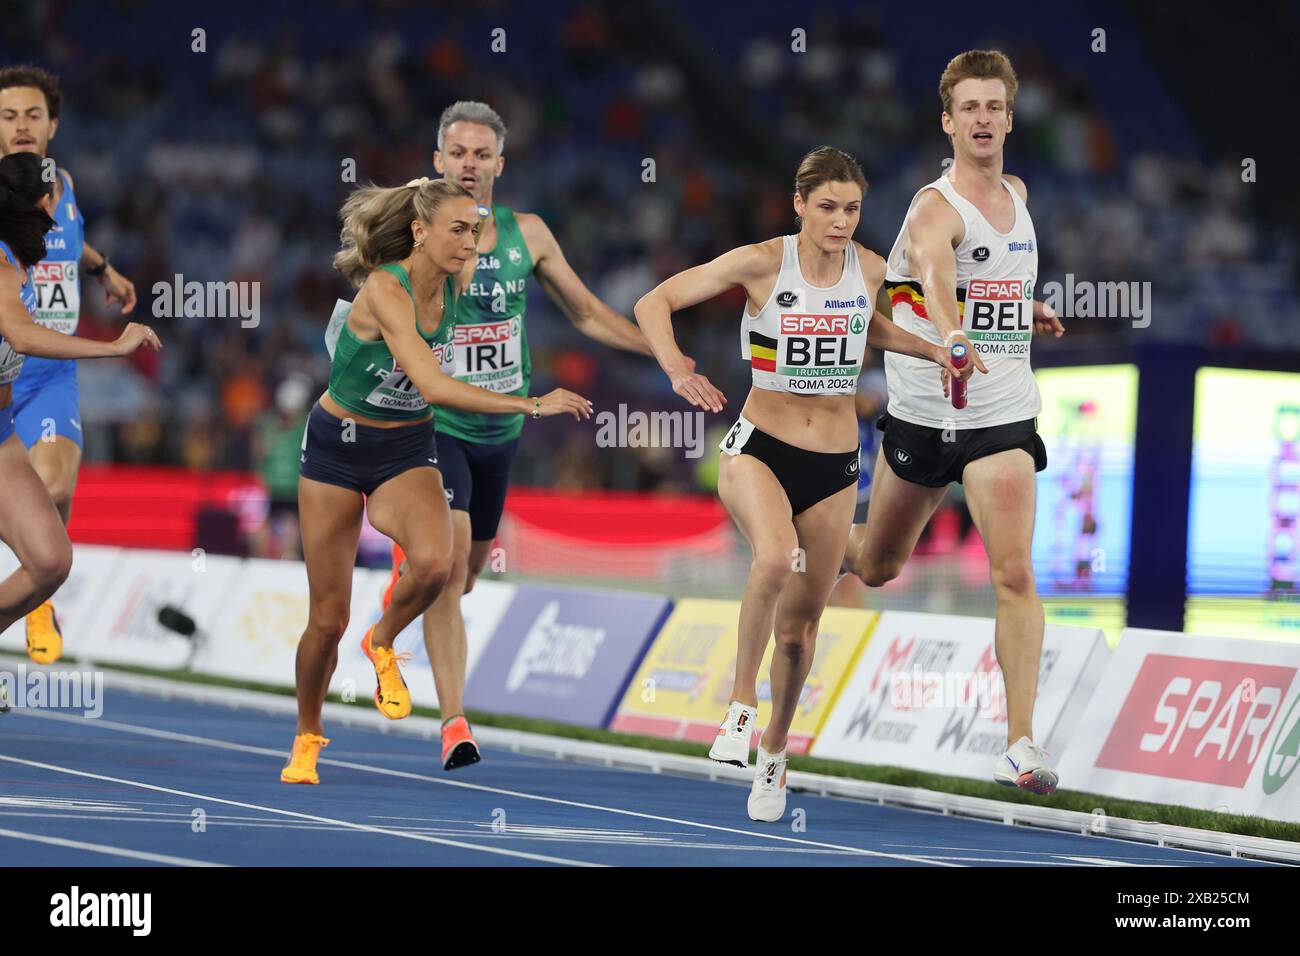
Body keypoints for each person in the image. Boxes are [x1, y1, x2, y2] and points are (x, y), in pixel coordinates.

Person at [634, 146, 963, 821]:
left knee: (799, 629)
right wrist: (674, 367)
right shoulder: (762, 261)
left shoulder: (869, 267)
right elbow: (654, 301)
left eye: (851, 209)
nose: (840, 221)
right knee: (775, 557)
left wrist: (932, 349)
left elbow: (870, 325)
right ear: (799, 205)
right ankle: (738, 709)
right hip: (759, 447)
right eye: (827, 208)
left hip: (837, 463)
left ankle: (776, 753)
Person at [381, 101, 670, 770]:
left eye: (483, 155)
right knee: (448, 567)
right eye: (458, 154)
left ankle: (417, 579)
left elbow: (589, 312)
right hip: (435, 421)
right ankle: (454, 722)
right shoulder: (411, 234)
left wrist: (659, 351)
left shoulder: (528, 235)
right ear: (438, 162)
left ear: (500, 165)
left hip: (501, 424)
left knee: (471, 567)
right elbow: (362, 307)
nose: (470, 165)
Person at [281, 177, 591, 785]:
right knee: (325, 619)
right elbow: (432, 383)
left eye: (474, 232)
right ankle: (308, 734)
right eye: (456, 230)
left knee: (434, 564)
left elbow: (508, 317)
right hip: (338, 449)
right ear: (419, 233)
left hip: (405, 446)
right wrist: (531, 405)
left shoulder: (463, 278)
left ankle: (384, 639)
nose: (469, 244)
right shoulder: (384, 289)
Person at [841, 50, 1067, 796]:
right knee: (878, 564)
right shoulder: (933, 207)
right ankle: (812, 541)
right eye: (967, 107)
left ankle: (1021, 743)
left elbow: (989, 275)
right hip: (923, 412)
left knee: (1015, 572)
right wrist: (954, 334)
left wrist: (1019, 311)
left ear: (1009, 116)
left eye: (993, 107)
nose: (982, 119)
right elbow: (938, 281)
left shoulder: (1020, 194)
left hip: (1000, 413)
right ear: (947, 121)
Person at [0, 152, 158, 711]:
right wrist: (111, 348)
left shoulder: (31, 245)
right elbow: (20, 334)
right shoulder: (0, 262)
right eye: (47, 209)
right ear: (27, 208)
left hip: (3, 438)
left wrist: (100, 268)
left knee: (50, 560)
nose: (56, 217)